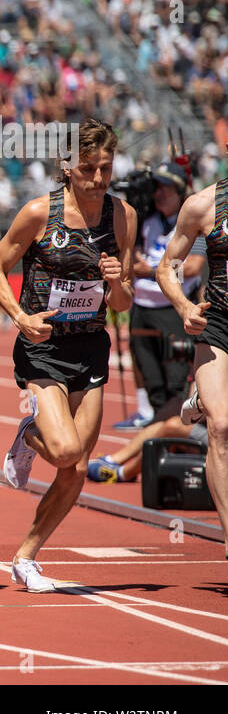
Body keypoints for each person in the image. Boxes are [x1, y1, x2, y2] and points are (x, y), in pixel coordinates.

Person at [0, 118, 137, 594]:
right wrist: (19, 316)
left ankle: (26, 556)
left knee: (75, 471)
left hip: (90, 347)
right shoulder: (38, 214)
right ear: (67, 167)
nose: (98, 179)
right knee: (67, 450)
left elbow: (122, 304)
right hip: (43, 345)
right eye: (89, 169)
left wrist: (115, 281)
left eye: (106, 169)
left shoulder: (122, 217)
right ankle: (31, 432)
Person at [155, 175, 228, 557]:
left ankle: (202, 395)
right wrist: (184, 307)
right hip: (219, 325)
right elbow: (168, 266)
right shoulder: (204, 205)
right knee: (221, 426)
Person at [118, 167, 203, 431]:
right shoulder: (146, 220)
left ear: (180, 192)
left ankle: (170, 431)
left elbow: (193, 267)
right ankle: (155, 428)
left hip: (173, 310)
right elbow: (129, 260)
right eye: (157, 188)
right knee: (151, 376)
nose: (159, 194)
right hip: (142, 309)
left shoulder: (192, 220)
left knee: (177, 381)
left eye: (166, 188)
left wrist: (153, 272)